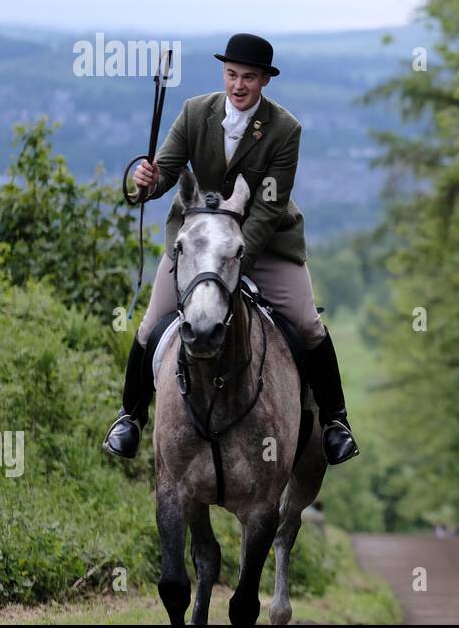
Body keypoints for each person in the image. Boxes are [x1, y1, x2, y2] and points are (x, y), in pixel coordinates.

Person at [102, 33, 358, 466]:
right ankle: (130, 418)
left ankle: (336, 422)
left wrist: (233, 262)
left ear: (264, 81)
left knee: (309, 325)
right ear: (224, 74)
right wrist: (144, 183)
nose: (238, 85)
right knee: (149, 326)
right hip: (197, 241)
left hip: (266, 241)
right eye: (232, 75)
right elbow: (165, 173)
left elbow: (268, 207)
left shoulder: (284, 129)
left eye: (249, 78)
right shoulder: (194, 112)